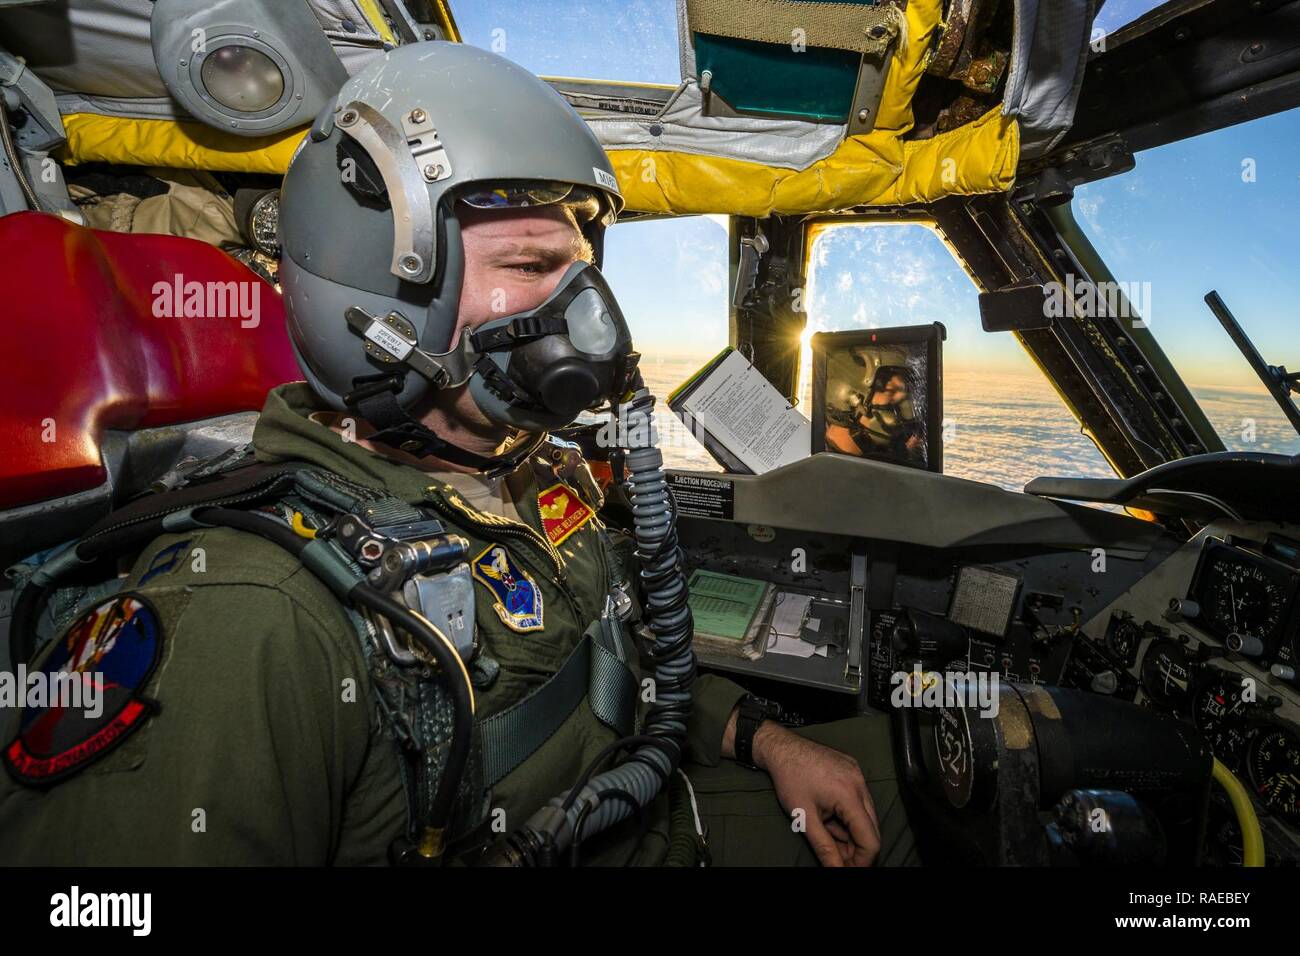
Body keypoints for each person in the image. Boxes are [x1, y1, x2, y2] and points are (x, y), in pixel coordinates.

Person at [0, 43, 915, 867]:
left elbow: (627, 657)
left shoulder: (527, 467)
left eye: (582, 272)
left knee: (910, 770)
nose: (590, 319)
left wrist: (763, 737)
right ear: (382, 313)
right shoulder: (251, 621)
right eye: (529, 267)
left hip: (659, 804)